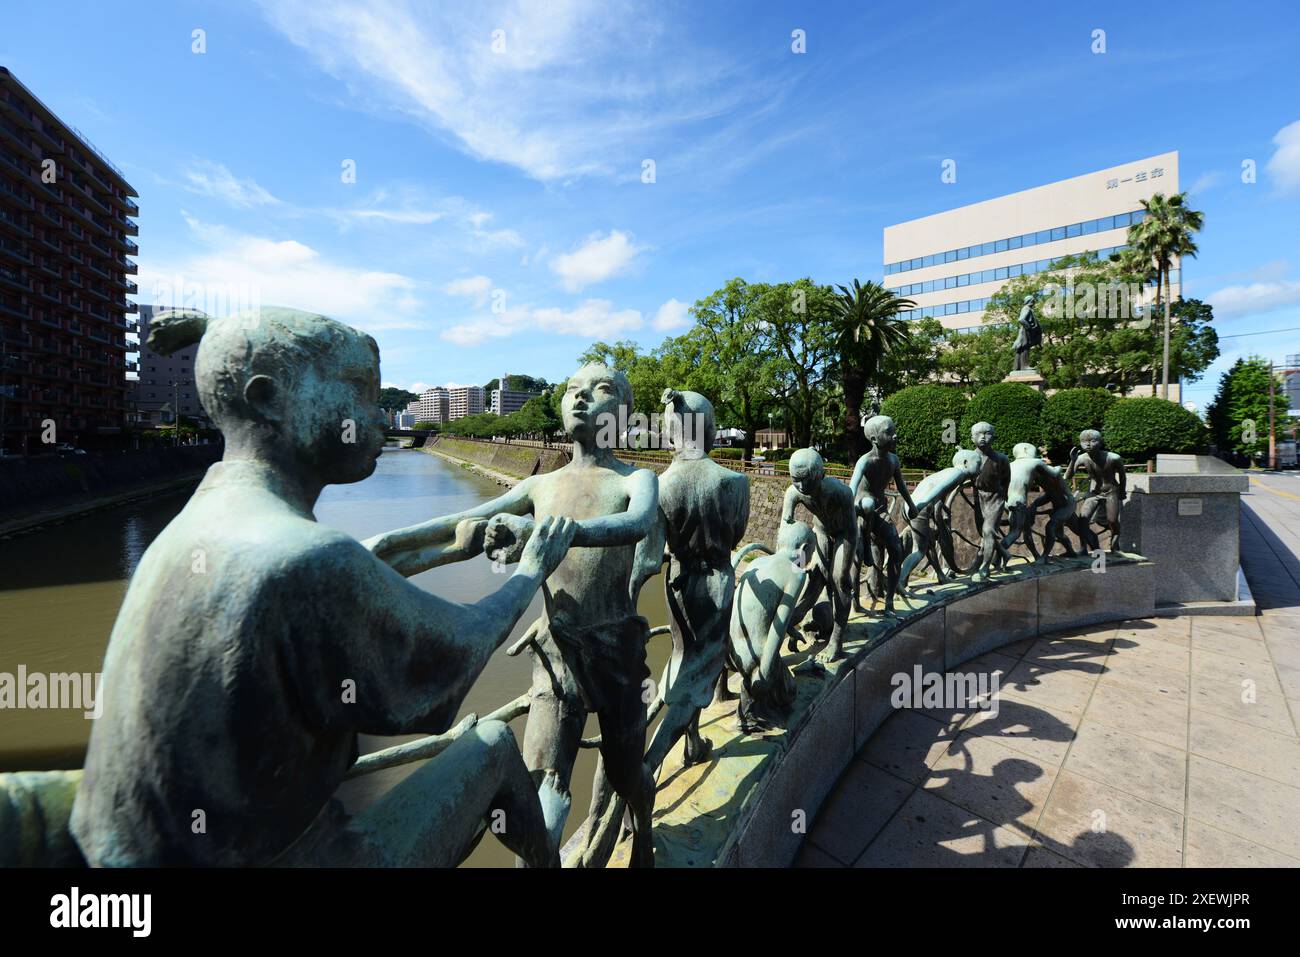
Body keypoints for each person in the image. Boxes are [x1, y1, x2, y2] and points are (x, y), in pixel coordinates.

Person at [70, 308, 574, 868]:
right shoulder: (310, 558)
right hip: (291, 856)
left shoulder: (195, 530)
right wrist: (533, 566)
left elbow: (350, 577)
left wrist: (451, 549)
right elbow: (452, 662)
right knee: (495, 748)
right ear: (267, 399)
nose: (377, 414)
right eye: (359, 391)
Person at [367, 364, 661, 867]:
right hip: (556, 656)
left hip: (616, 654)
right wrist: (385, 550)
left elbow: (634, 524)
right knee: (540, 787)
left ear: (624, 414)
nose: (581, 398)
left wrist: (551, 536)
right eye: (571, 390)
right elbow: (466, 524)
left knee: (626, 768)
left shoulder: (637, 479)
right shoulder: (540, 487)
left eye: (600, 390)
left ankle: (644, 829)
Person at [781, 448, 858, 663]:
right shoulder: (793, 493)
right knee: (813, 577)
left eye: (808, 481)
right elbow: (786, 531)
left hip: (845, 534)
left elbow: (852, 530)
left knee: (839, 580)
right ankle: (788, 625)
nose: (803, 487)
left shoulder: (841, 492)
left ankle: (836, 641)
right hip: (820, 532)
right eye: (797, 480)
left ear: (821, 476)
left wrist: (843, 566)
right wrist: (791, 564)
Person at [848, 415, 918, 614]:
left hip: (881, 511)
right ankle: (856, 602)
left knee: (896, 549)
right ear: (874, 439)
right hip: (862, 510)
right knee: (857, 558)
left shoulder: (893, 460)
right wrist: (849, 512)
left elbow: (902, 487)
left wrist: (912, 505)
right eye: (889, 432)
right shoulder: (865, 461)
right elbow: (852, 488)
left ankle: (889, 601)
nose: (895, 435)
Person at [897, 449, 982, 593]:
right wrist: (923, 505)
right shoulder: (958, 473)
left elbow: (938, 496)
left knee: (929, 544)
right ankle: (899, 582)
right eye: (978, 464)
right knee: (919, 551)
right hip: (919, 508)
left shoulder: (945, 472)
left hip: (910, 505)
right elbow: (938, 489)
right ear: (966, 463)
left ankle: (940, 576)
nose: (980, 468)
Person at [1003, 443, 1079, 562]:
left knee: (1051, 527)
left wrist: (1071, 462)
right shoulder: (1035, 469)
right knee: (1059, 533)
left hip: (1066, 502)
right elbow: (1049, 494)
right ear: (1025, 450)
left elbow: (1064, 478)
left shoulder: (1036, 469)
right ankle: (1070, 551)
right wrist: (1033, 507)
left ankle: (1043, 557)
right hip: (1052, 502)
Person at [1065, 429, 1127, 553]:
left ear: (1100, 442)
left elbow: (1122, 476)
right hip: (1093, 492)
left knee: (1112, 520)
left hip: (1111, 491)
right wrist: (1072, 460)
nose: (1088, 444)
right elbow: (1067, 476)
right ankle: (1083, 548)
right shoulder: (1081, 458)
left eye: (1092, 441)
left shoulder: (1113, 457)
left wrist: (1122, 491)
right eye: (1084, 441)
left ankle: (1114, 545)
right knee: (1083, 519)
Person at [969, 422, 1011, 583]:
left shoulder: (1001, 458)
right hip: (978, 498)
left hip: (996, 498)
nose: (983, 438)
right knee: (984, 532)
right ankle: (1005, 554)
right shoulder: (970, 457)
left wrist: (1004, 496)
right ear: (972, 437)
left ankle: (985, 568)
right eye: (978, 434)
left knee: (988, 531)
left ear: (993, 436)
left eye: (987, 434)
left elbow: (1007, 478)